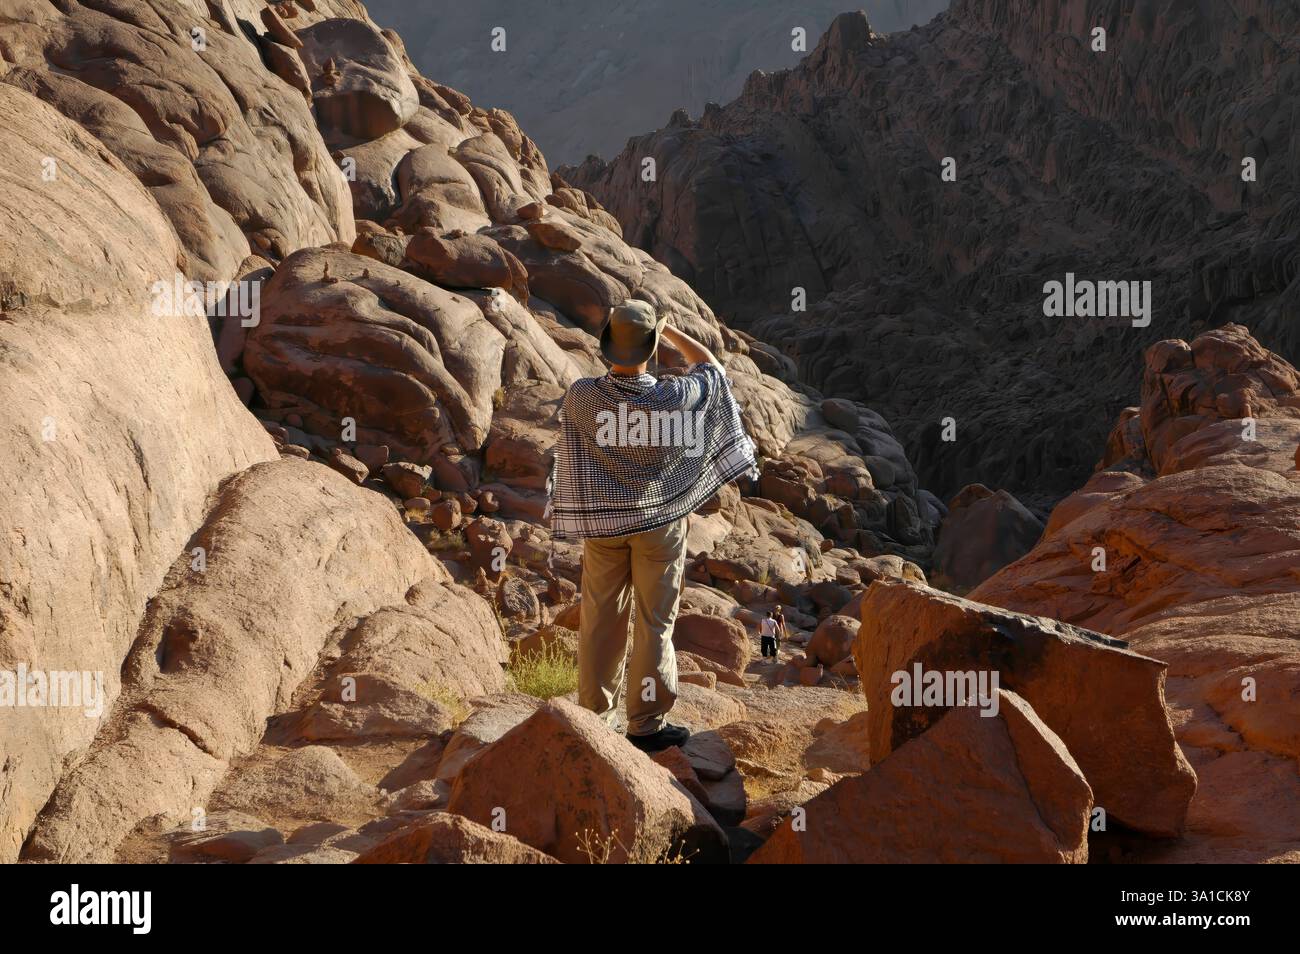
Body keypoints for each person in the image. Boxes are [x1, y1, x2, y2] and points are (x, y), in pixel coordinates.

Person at [550, 299, 757, 752]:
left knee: (600, 620)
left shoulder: (582, 396)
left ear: (608, 345)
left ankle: (595, 721)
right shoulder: (673, 397)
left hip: (604, 524)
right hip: (659, 523)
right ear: (650, 347)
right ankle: (645, 724)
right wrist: (670, 333)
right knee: (654, 621)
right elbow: (713, 369)